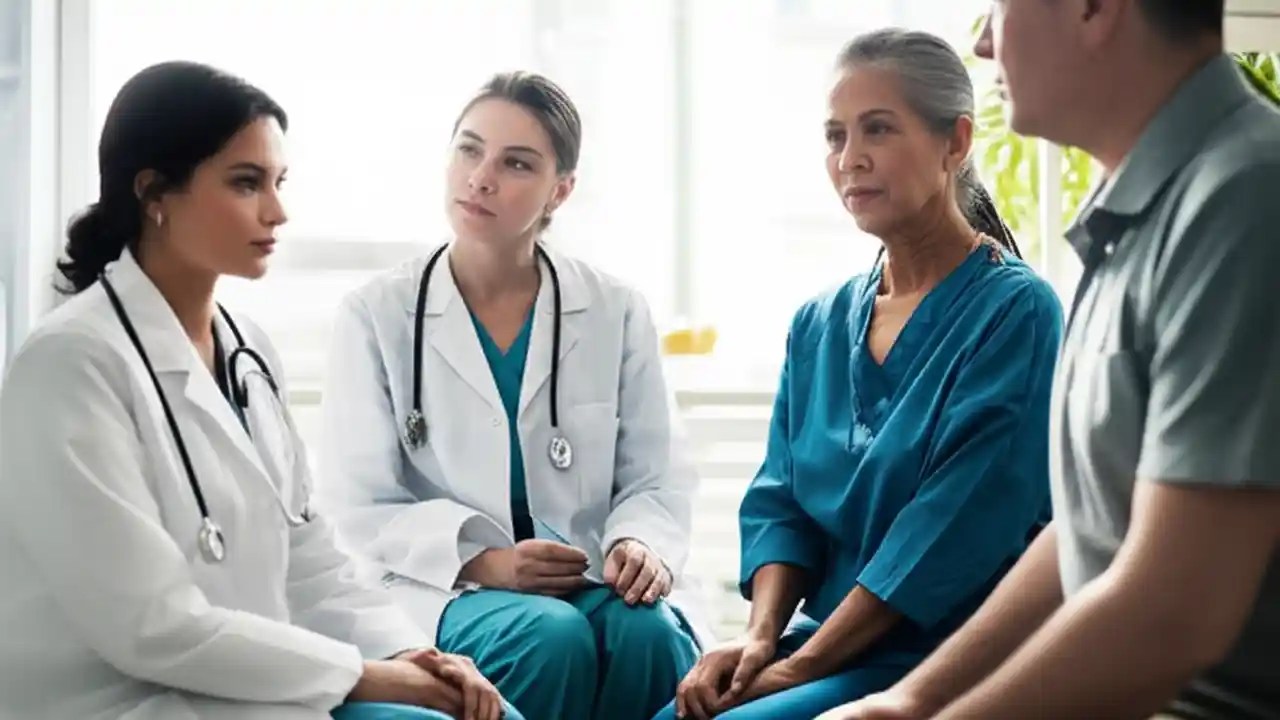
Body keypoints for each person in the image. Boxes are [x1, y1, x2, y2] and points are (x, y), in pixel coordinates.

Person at [0, 61, 518, 720]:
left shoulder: (246, 350)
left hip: (255, 689)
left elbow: (308, 559)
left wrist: (414, 657)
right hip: (130, 704)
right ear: (154, 193)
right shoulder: (71, 364)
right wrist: (367, 678)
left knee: (482, 709)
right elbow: (151, 626)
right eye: (246, 184)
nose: (277, 211)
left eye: (278, 182)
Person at [822, 3, 1280, 720]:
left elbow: (1174, 613)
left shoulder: (1245, 200)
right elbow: (1092, 526)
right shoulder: (1137, 215)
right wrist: (910, 702)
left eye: (1001, 7)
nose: (980, 40)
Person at [653, 29, 1063, 720]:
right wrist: (757, 641)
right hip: (826, 645)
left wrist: (796, 671)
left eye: (878, 129)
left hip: (947, 655)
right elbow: (781, 500)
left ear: (955, 142)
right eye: (835, 136)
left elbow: (952, 529)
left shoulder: (1016, 313)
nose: (851, 159)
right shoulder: (819, 322)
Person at [317, 71, 707, 720]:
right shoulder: (376, 314)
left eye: (515, 163)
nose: (481, 177)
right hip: (446, 584)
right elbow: (355, 503)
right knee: (548, 639)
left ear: (561, 191)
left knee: (651, 634)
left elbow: (656, 475)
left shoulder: (614, 311)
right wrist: (489, 562)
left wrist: (639, 544)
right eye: (469, 150)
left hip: (589, 573)